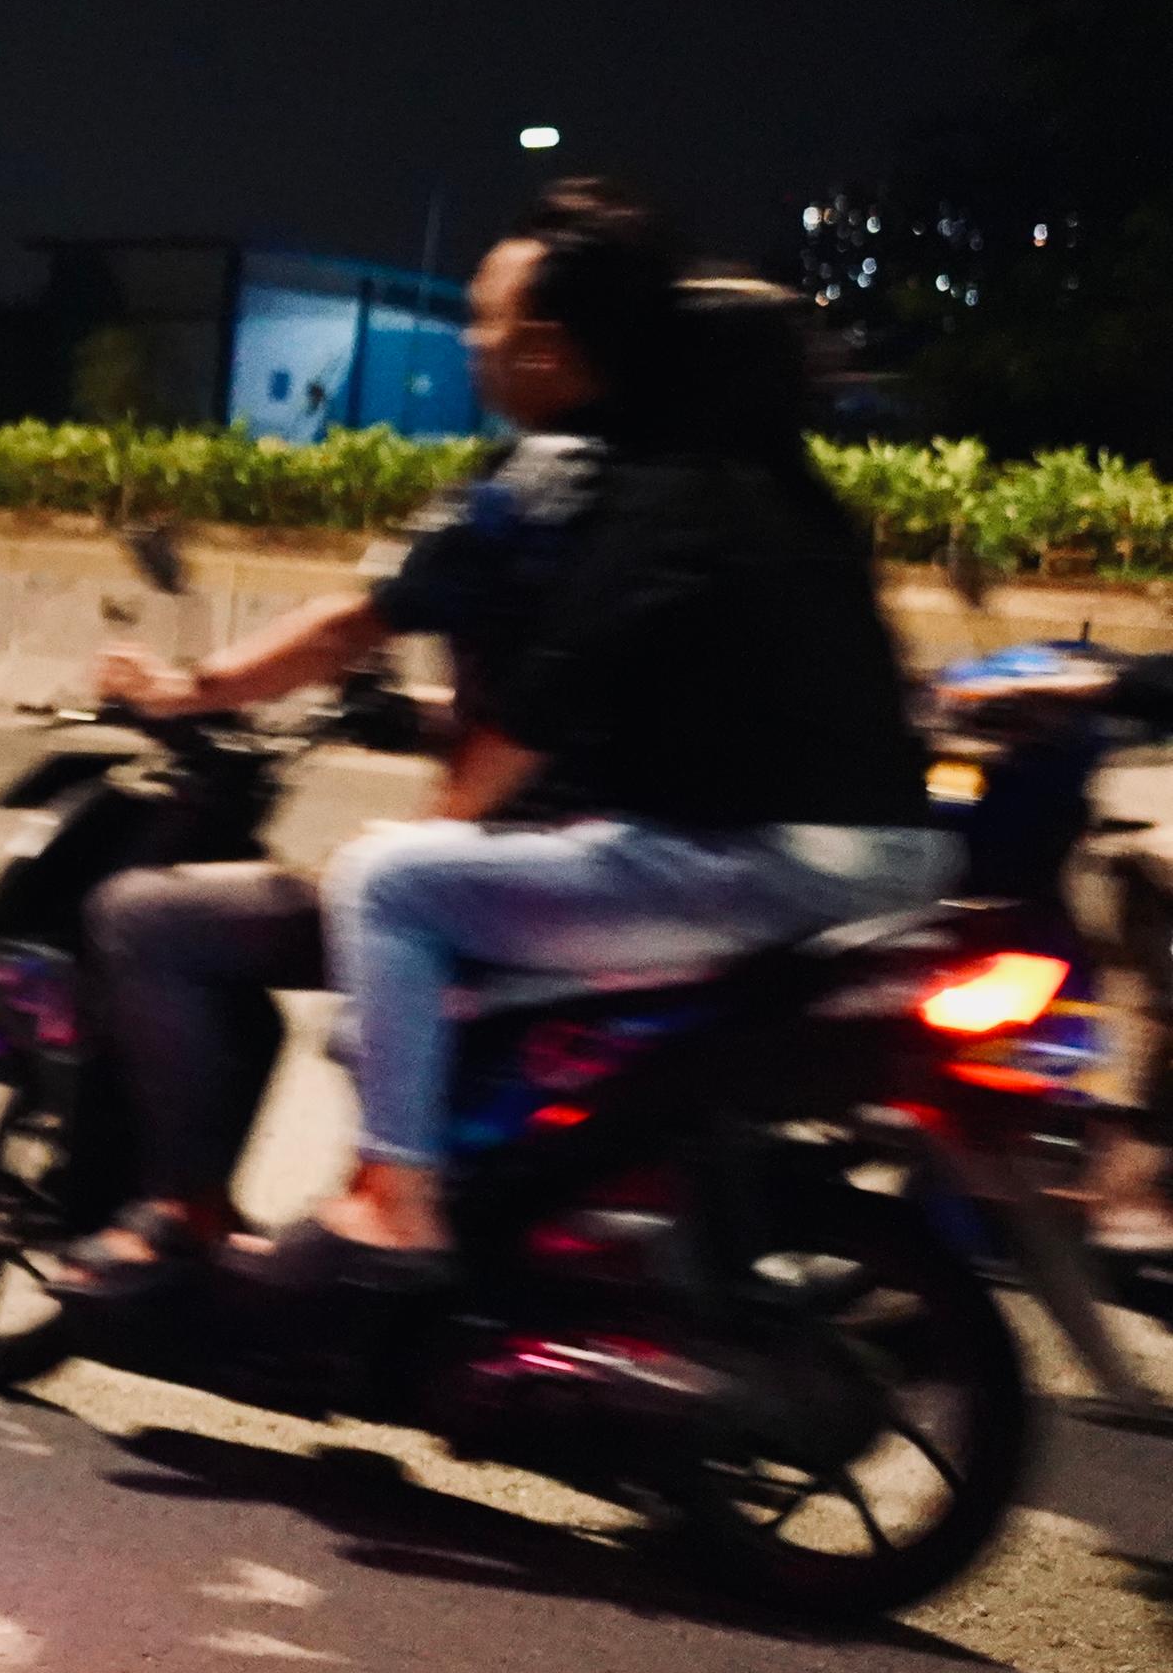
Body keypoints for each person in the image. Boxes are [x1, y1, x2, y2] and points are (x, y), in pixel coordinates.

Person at [98, 184, 948, 1286]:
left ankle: (390, 1199)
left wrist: (418, 825)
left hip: (763, 858)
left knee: (383, 887)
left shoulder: (620, 489)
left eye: (487, 322)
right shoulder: (794, 503)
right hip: (876, 853)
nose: (472, 342)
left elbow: (520, 702)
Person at [56, 203, 616, 1293]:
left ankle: (187, 1218)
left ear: (543, 345)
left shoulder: (524, 493)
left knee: (145, 919)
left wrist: (188, 689)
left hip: (529, 871)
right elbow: (543, 708)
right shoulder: (649, 488)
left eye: (482, 318)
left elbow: (351, 622)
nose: (468, 339)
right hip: (611, 846)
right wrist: (410, 722)